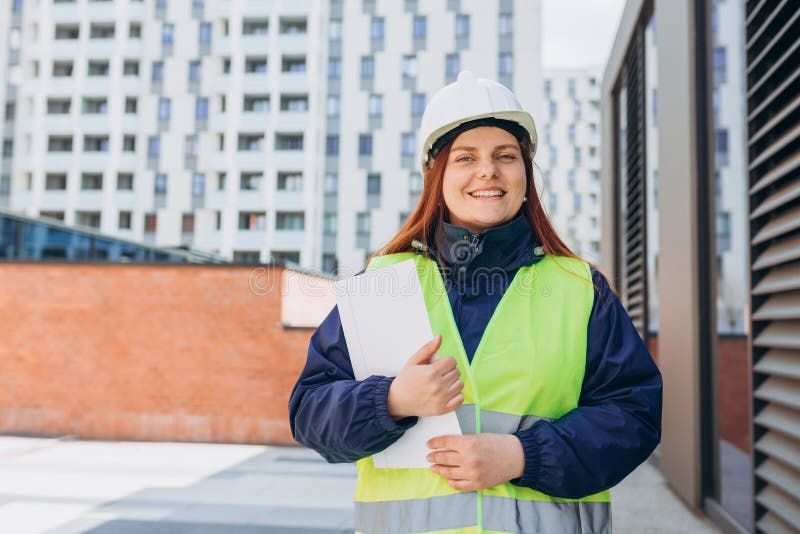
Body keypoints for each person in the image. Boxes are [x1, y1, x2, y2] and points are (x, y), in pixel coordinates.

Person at [289, 71, 662, 534]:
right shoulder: (380, 285)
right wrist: (390, 400)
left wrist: (524, 455)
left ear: (526, 175)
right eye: (466, 157)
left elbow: (635, 416)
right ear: (437, 176)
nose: (488, 170)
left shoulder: (580, 289)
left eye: (505, 156)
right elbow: (309, 413)